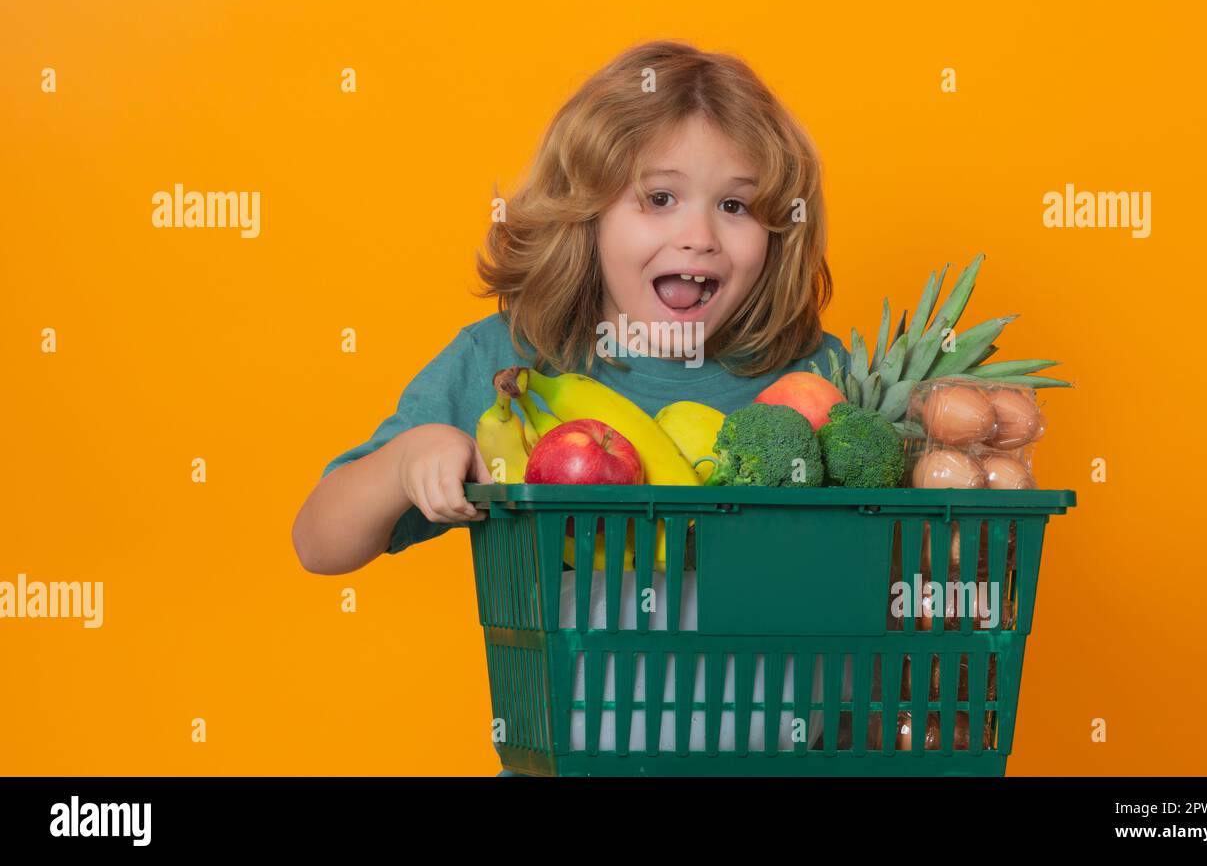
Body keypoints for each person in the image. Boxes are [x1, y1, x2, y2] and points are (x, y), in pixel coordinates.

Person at [290, 39, 848, 775]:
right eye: (658, 198)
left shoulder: (818, 377)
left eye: (736, 206)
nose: (699, 237)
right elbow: (318, 543)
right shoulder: (515, 367)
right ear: (585, 213)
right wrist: (407, 461)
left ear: (778, 235)